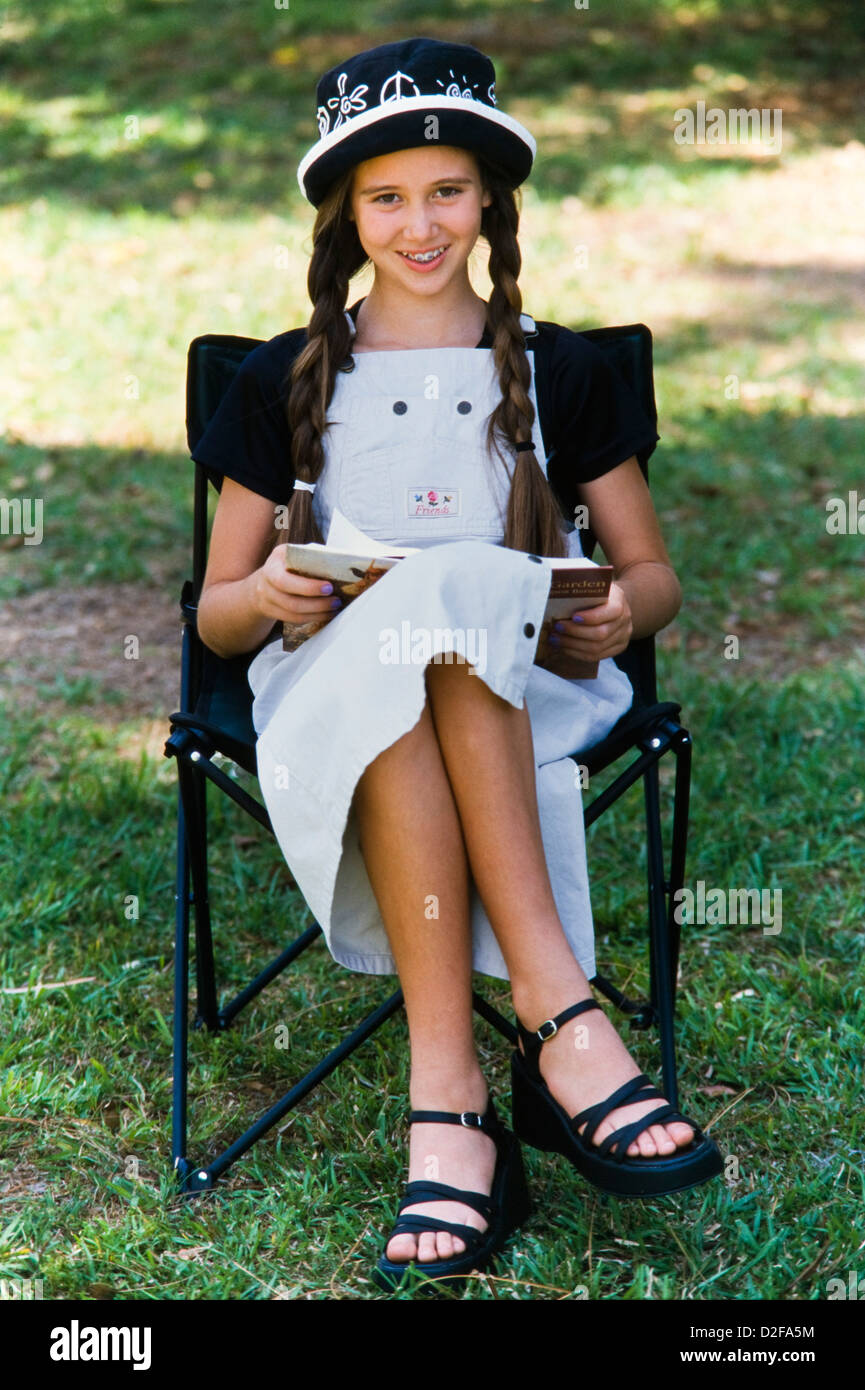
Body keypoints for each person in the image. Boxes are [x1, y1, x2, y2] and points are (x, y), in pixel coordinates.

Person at [192, 36, 723, 1291]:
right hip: (333, 686)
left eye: (445, 190)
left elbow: (653, 578)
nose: (419, 222)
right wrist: (268, 587)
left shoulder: (558, 369)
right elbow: (215, 618)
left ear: (489, 199)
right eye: (386, 196)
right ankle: (562, 1015)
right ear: (345, 213)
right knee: (419, 620)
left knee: (450, 616)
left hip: (522, 682)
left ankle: (451, 1098)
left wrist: (615, 619)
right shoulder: (282, 380)